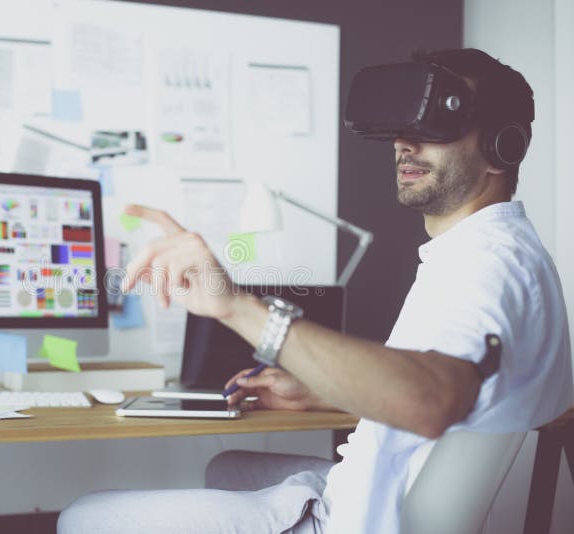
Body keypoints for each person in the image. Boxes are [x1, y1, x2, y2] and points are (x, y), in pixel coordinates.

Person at [58, 48, 573, 534]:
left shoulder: (485, 263)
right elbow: (459, 396)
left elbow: (432, 399)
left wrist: (238, 306)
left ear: (504, 147)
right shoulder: (499, 250)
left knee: (80, 517)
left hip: (357, 520)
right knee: (227, 465)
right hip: (376, 495)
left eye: (436, 124)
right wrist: (319, 388)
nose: (405, 143)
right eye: (402, 126)